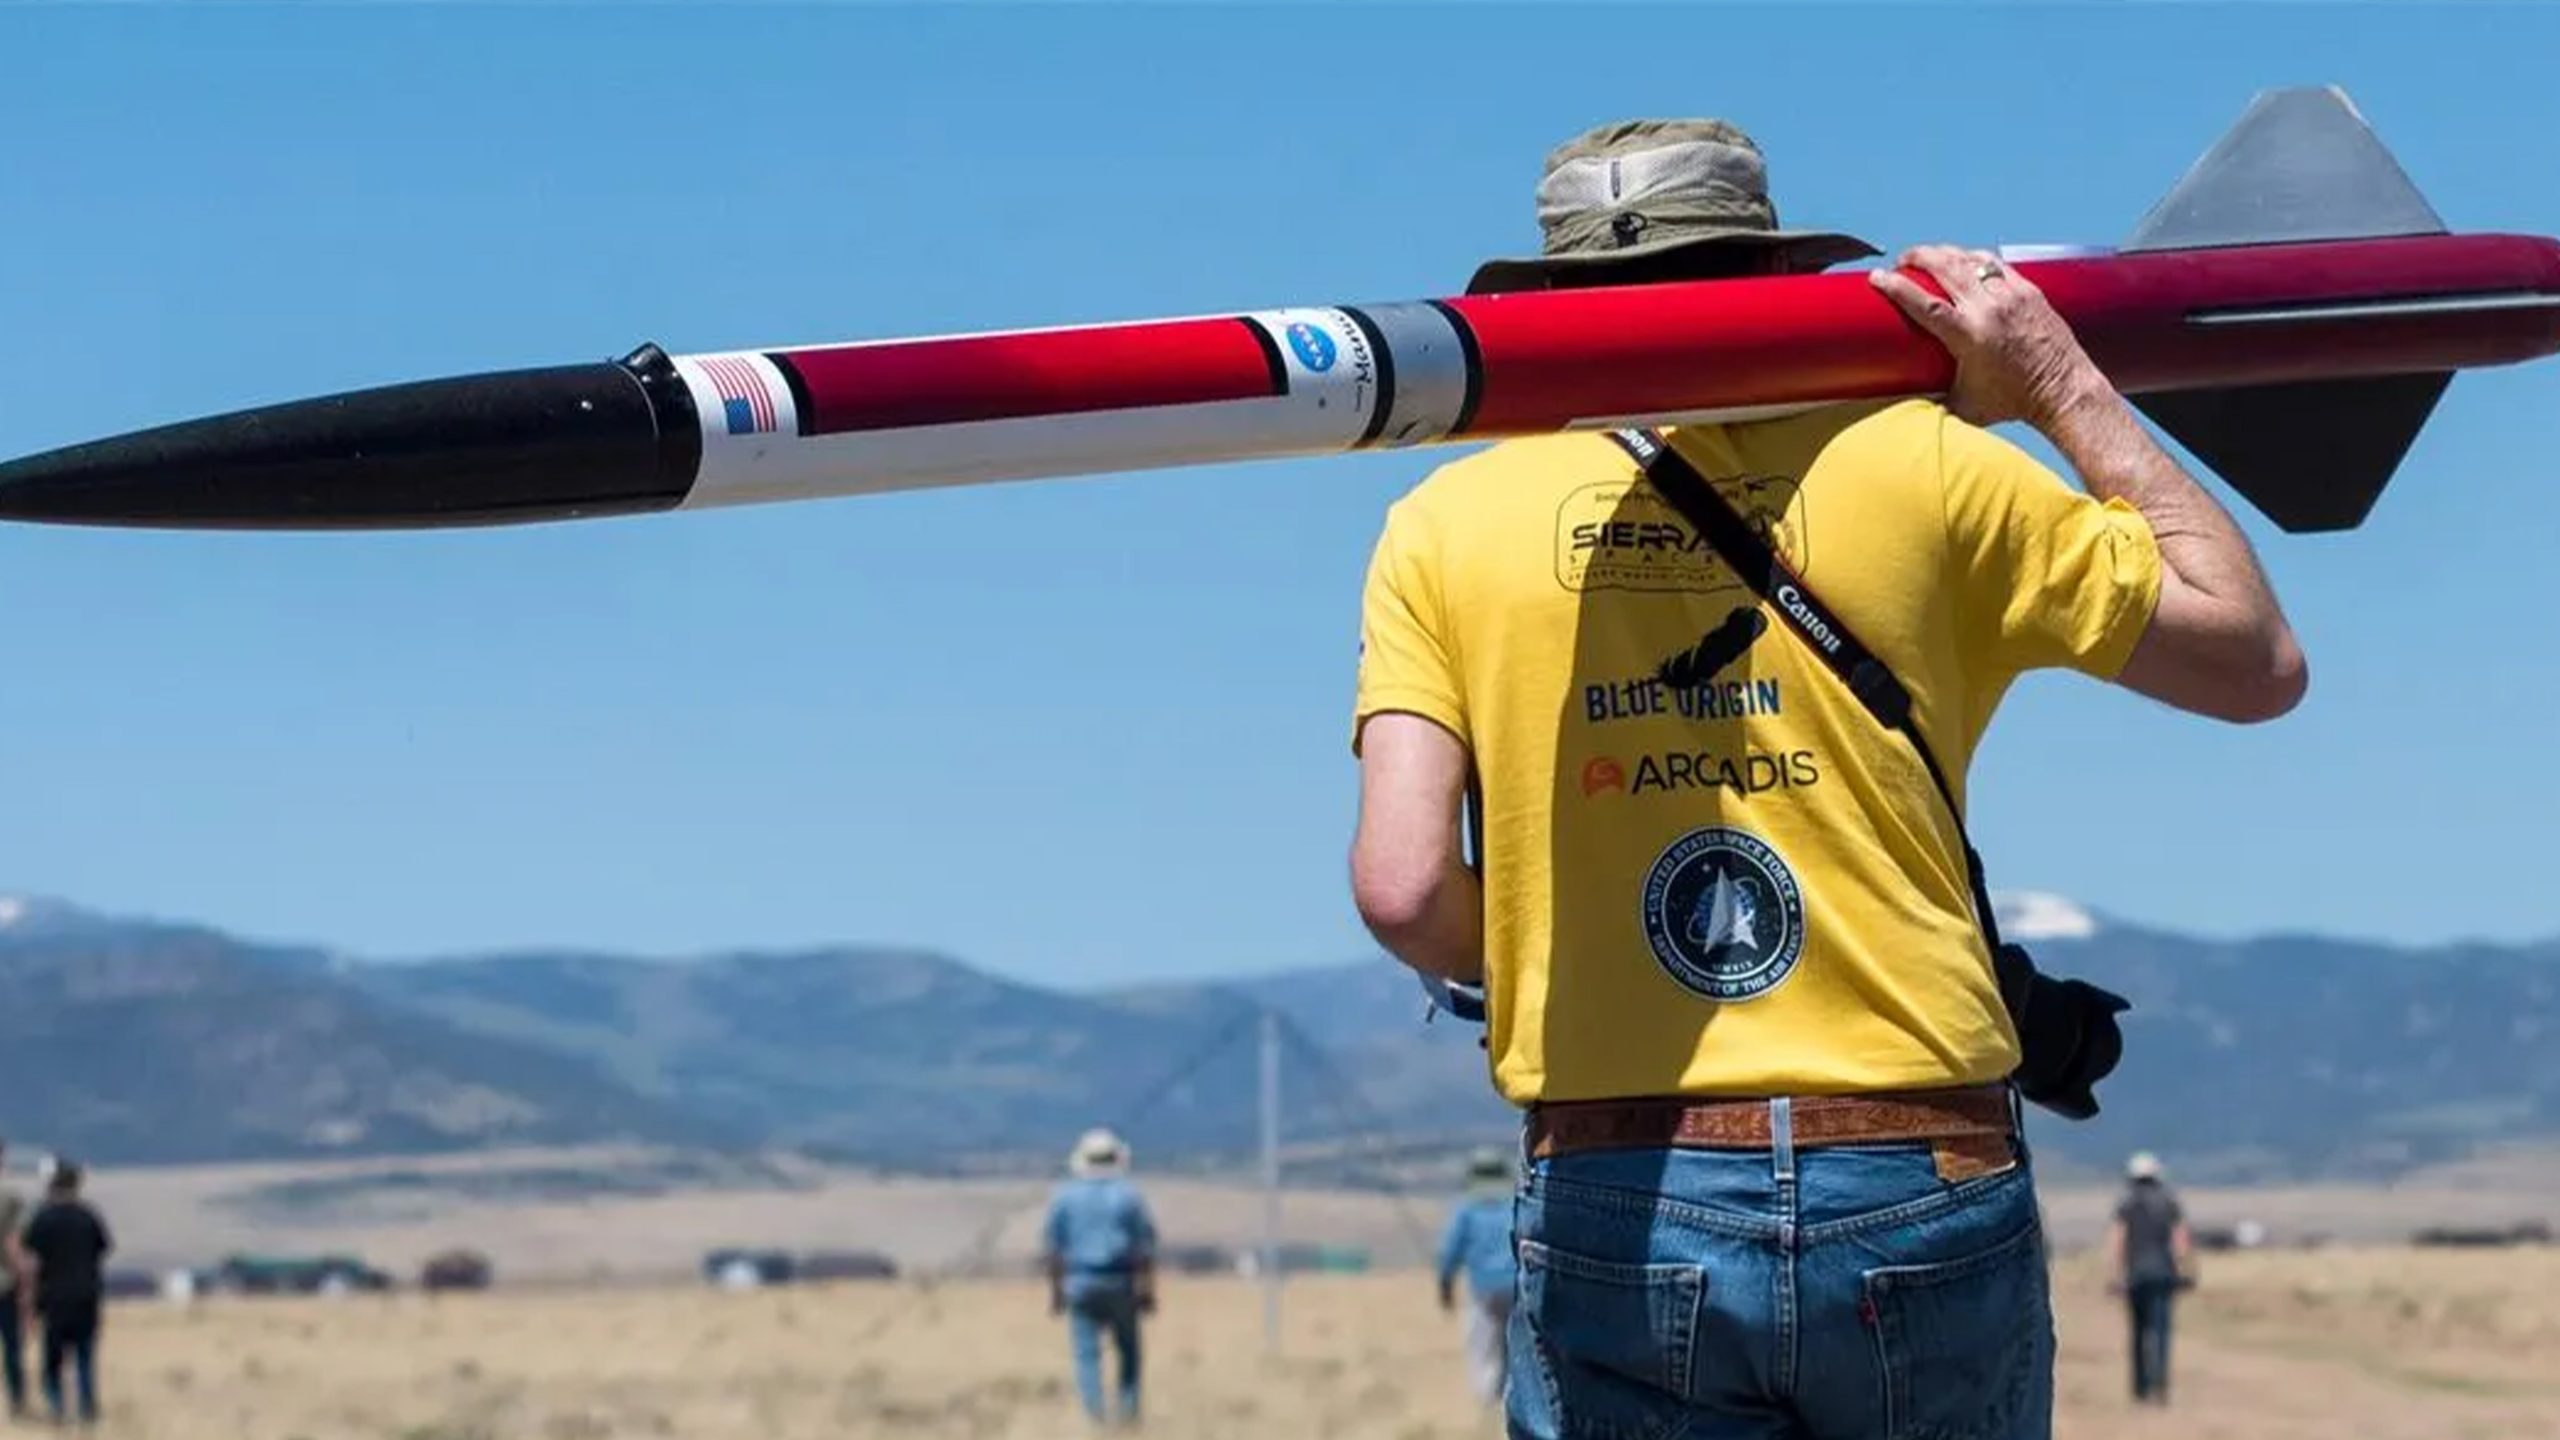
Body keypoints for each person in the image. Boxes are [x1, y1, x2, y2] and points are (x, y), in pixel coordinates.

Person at [1349, 116, 2303, 1440]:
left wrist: (1570, 955)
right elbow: (2252, 661)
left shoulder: (1443, 523)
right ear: (1769, 266)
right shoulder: (1926, 466)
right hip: (1915, 1154)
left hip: (1623, 1169)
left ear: (1551, 291)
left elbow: (1401, 889)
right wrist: (2057, 385)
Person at [1042, 1128, 1156, 1429]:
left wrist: (1056, 1292)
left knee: (1086, 1355)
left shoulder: (1065, 1197)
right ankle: (1128, 1414)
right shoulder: (1129, 1197)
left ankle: (1096, 1417)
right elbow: (1144, 1248)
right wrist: (1147, 1290)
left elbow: (1054, 1251)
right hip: (1121, 1281)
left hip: (1080, 1282)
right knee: (1128, 1353)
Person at [21, 1160, 110, 1427]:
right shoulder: (89, 1217)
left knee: (53, 1361)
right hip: (86, 1296)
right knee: (84, 1358)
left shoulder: (43, 1219)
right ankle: (87, 1409)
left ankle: (57, 1407)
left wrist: (29, 1302)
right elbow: (102, 1250)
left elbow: (32, 1261)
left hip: (54, 1298)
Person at [1436, 1148, 1520, 1408]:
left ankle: (1486, 1400)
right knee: (1513, 1345)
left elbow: (1450, 1250)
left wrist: (1445, 1285)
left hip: (1483, 1289)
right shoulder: (1515, 1204)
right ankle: (1511, 1398)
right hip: (1516, 1287)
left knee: (1482, 1344)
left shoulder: (1467, 1209)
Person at [2109, 1151, 2193, 1406]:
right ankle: (2160, 1385)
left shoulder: (2126, 1203)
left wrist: (2115, 1274)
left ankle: (2140, 1388)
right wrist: (2184, 1268)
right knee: (2161, 1331)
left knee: (2138, 1332)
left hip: (2136, 1275)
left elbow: (2118, 1239)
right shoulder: (2169, 1202)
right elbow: (2180, 1240)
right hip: (2163, 1274)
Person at [0, 1140, 28, 1419]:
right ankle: (16, 1402)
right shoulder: (10, 1198)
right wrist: (25, 1279)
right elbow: (13, 1243)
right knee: (11, 1346)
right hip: (4, 1283)